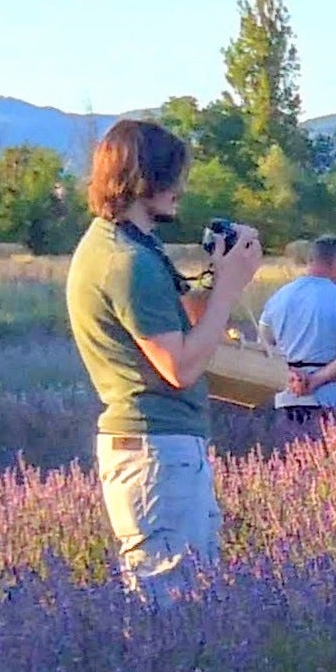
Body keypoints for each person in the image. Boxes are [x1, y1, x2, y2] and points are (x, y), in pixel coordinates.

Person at [64, 118, 262, 599]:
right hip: (155, 451)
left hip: (164, 446)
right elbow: (180, 367)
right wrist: (230, 288)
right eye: (174, 177)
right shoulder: (124, 262)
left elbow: (185, 323)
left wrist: (220, 275)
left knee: (192, 596)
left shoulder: (132, 249)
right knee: (170, 606)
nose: (181, 189)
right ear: (143, 179)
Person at [260, 235, 336, 425]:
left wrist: (291, 375)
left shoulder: (279, 298)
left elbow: (264, 345)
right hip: (331, 398)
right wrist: (316, 380)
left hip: (287, 396)